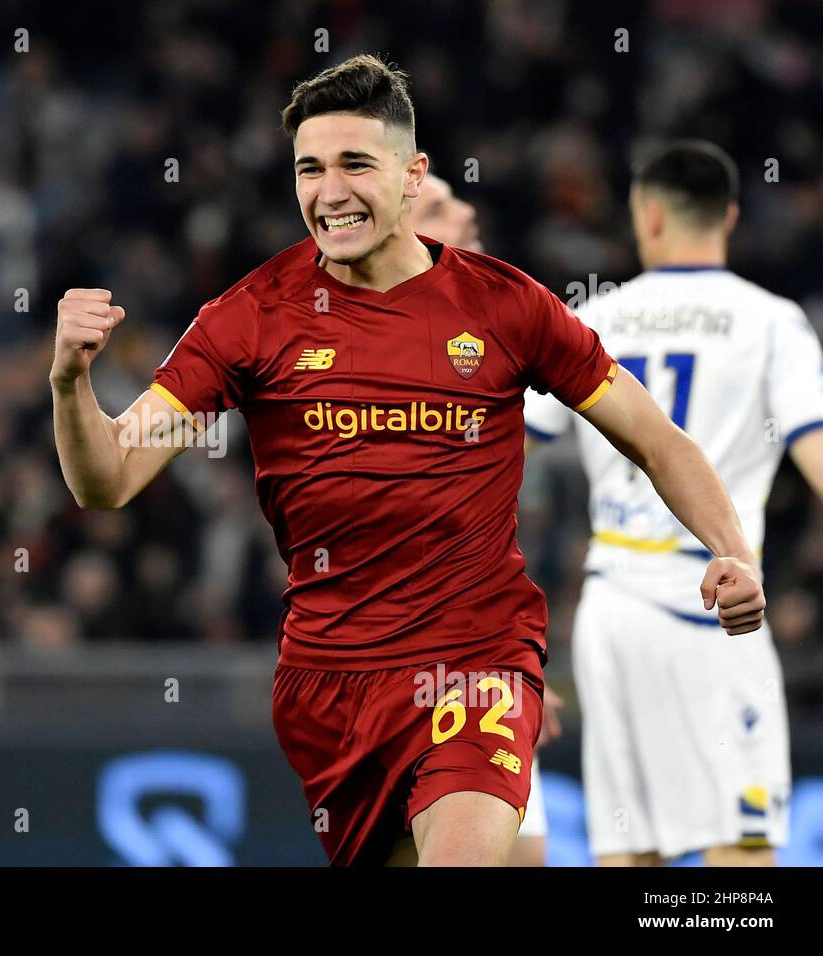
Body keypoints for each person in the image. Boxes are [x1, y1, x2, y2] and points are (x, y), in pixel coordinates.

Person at [51, 54, 766, 866]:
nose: (330, 192)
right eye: (309, 169)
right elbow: (107, 479)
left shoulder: (506, 306)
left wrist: (734, 553)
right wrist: (71, 382)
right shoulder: (248, 319)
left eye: (356, 163)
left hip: (478, 662)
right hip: (329, 685)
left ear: (411, 173)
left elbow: (655, 437)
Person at [525, 140, 823, 866]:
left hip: (613, 605)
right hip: (718, 604)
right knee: (742, 843)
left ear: (648, 216)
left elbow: (498, 464)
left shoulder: (597, 316)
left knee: (629, 846)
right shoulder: (769, 321)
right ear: (728, 216)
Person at [404, 171, 560, 867]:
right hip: (391, 664)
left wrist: (518, 660)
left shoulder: (499, 320)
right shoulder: (356, 352)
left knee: (525, 856)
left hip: (484, 657)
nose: (467, 208)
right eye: (439, 206)